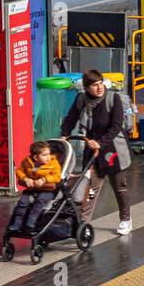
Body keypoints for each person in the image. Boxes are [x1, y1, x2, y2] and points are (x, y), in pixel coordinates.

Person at [60, 69, 133, 234]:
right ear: (87, 88)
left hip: (113, 150)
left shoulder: (113, 98)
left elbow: (116, 126)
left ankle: (126, 219)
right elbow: (70, 119)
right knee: (89, 189)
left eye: (100, 83)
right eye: (94, 85)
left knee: (119, 186)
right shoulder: (81, 99)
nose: (99, 87)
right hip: (92, 150)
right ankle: (84, 225)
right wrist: (64, 134)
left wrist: (100, 143)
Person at [8, 141, 63, 233]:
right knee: (22, 203)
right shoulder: (27, 161)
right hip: (32, 189)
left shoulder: (53, 163)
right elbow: (19, 171)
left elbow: (57, 177)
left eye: (49, 154)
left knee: (40, 200)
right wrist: (25, 179)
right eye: (45, 155)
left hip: (48, 190)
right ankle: (17, 223)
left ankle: (31, 221)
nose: (48, 157)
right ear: (36, 157)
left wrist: (44, 179)